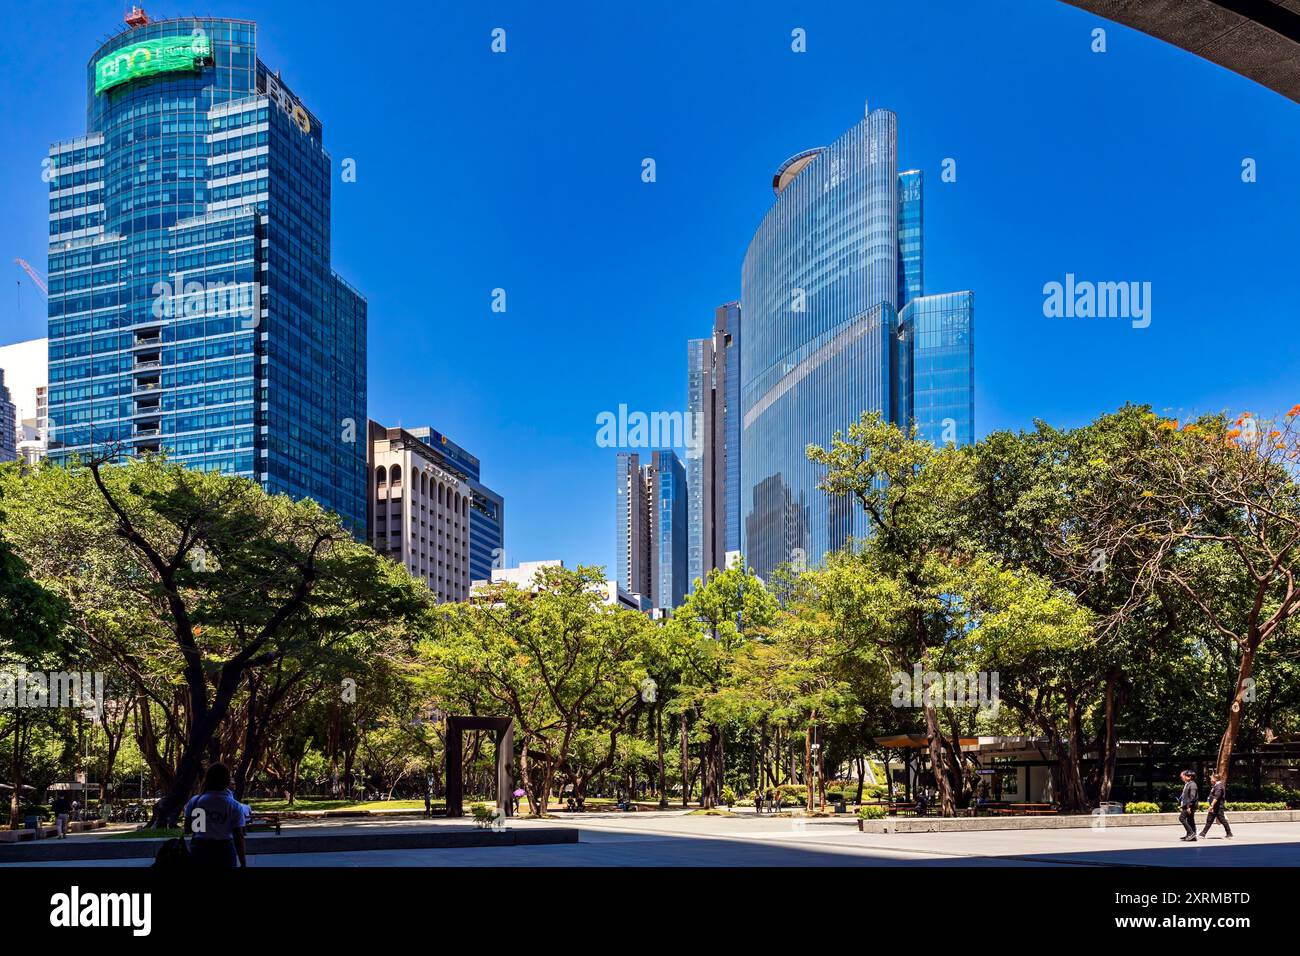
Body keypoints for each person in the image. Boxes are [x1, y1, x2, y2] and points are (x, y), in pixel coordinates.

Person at [183, 763, 248, 868]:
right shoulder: (234, 805)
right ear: (227, 781)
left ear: (207, 779)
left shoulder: (195, 801)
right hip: (224, 853)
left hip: (199, 852)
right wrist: (243, 862)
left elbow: (188, 830)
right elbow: (238, 837)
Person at [1200, 772, 1234, 839]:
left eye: (1211, 778)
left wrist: (1211, 805)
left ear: (1215, 779)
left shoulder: (1219, 786)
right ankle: (1202, 834)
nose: (1210, 780)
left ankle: (1229, 833)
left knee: (1222, 820)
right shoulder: (1216, 786)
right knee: (1209, 820)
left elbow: (1216, 797)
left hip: (1218, 807)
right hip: (1214, 807)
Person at [1177, 770, 1199, 841]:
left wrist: (1189, 806)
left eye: (1185, 776)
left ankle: (1191, 833)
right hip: (1187, 805)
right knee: (1190, 820)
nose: (1183, 777)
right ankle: (1192, 835)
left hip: (1189, 806)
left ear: (1189, 777)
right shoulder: (1189, 784)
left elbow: (1192, 797)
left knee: (1181, 818)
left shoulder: (1192, 785)